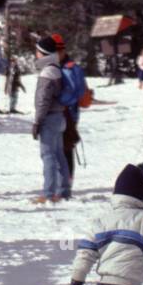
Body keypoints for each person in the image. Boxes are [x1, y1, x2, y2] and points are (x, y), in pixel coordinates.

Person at [31, 35, 68, 203]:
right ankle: (63, 191)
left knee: (48, 155)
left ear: (42, 53)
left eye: (37, 50)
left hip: (50, 118)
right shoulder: (56, 67)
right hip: (59, 116)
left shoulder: (48, 71)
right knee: (58, 154)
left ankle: (49, 193)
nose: (35, 53)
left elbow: (43, 100)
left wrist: (37, 121)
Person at [54, 33, 89, 197]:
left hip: (68, 114)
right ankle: (60, 183)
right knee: (57, 148)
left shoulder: (70, 68)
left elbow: (78, 92)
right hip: (59, 114)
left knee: (66, 148)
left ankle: (66, 184)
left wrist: (60, 100)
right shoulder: (56, 67)